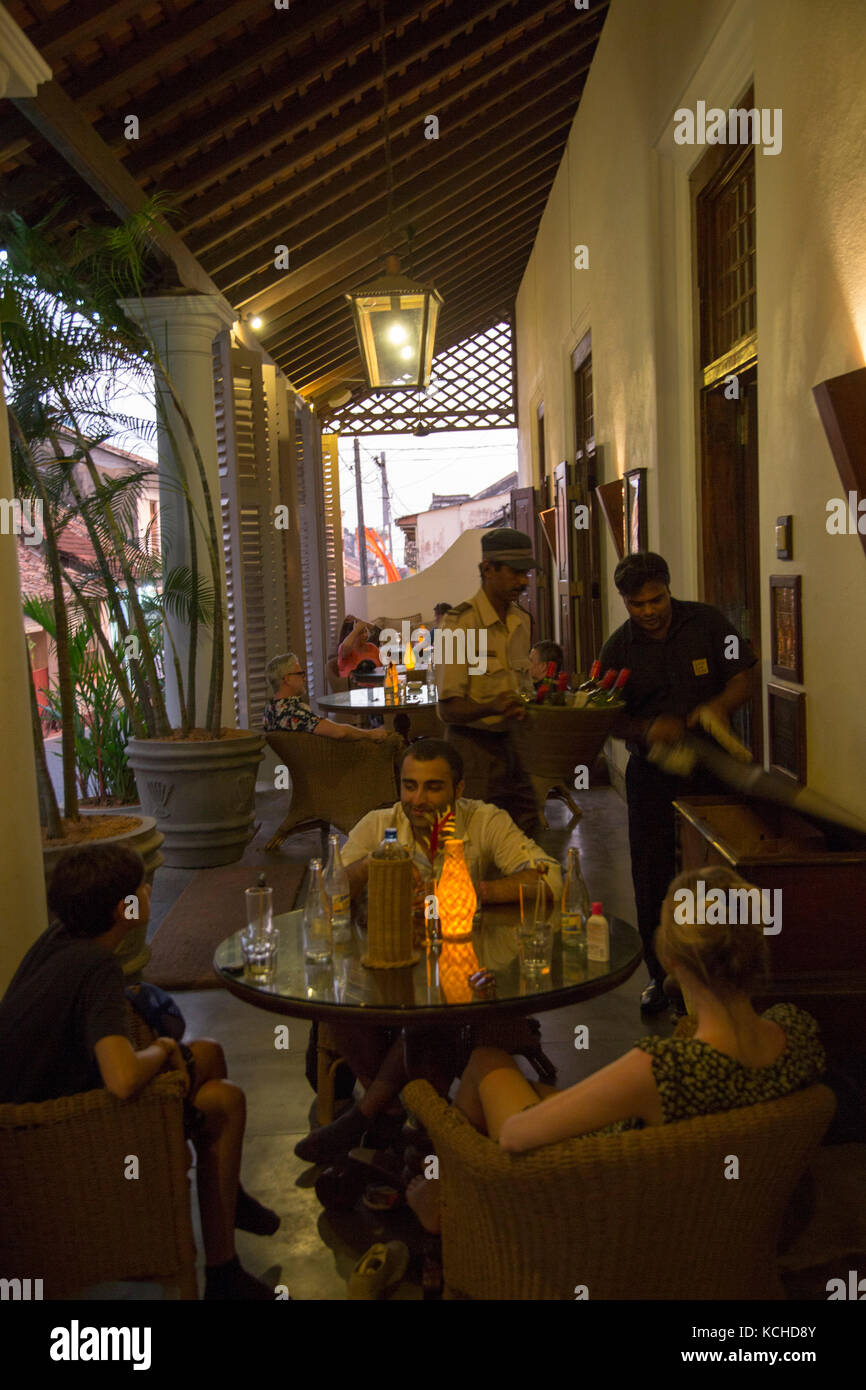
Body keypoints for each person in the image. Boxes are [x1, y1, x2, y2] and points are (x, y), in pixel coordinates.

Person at [405, 865, 826, 1232]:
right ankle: (443, 1193)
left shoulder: (664, 1068)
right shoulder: (797, 1030)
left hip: (600, 1201)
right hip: (704, 1202)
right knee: (528, 1085)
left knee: (486, 1060)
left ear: (673, 961)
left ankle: (444, 1202)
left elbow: (516, 1136)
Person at [0, 845, 280, 1300]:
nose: (148, 891)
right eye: (139, 889)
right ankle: (223, 1265)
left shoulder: (58, 940)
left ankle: (231, 1196)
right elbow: (123, 1078)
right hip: (58, 1134)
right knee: (225, 1102)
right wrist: (165, 1048)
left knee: (208, 1053)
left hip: (37, 1103)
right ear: (122, 908)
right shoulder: (97, 967)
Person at [293, 738, 562, 1166]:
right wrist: (378, 865)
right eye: (410, 786)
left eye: (433, 787)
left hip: (466, 967)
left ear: (458, 789)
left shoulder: (484, 821)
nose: (419, 800)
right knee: (337, 996)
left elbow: (551, 881)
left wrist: (477, 891)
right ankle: (402, 1119)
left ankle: (368, 1118)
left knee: (438, 1008)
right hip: (386, 968)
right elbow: (327, 898)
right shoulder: (379, 823)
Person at [598, 552, 757, 1015]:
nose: (648, 611)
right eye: (637, 604)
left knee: (717, 875)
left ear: (669, 588)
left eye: (656, 599)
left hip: (714, 772)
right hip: (652, 774)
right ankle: (661, 979)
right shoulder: (618, 649)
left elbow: (742, 675)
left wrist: (720, 707)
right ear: (624, 602)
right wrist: (646, 730)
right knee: (652, 876)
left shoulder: (708, 624)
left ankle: (725, 978)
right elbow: (606, 717)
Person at [436, 528, 539, 836]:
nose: (523, 582)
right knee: (474, 841)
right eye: (515, 572)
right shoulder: (459, 626)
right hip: (472, 751)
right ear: (487, 569)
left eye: (526, 574)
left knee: (525, 835)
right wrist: (492, 706)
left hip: (515, 746)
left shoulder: (521, 621)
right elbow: (448, 710)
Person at [263, 652, 389, 741]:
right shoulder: (293, 713)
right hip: (329, 761)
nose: (305, 678)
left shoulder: (270, 711)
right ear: (287, 679)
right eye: (300, 673)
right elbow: (340, 732)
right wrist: (370, 734)